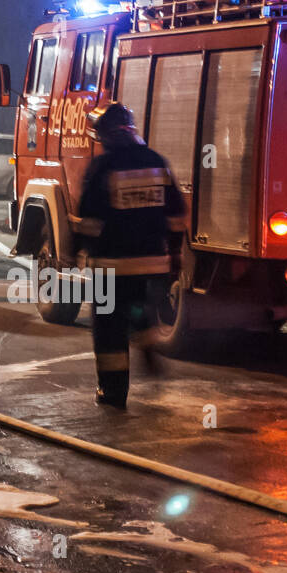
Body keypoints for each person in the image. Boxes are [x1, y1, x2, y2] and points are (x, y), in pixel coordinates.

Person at [72, 102, 187, 410]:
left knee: (109, 329)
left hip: (111, 266)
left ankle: (112, 393)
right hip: (152, 264)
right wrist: (174, 255)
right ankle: (148, 348)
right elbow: (177, 213)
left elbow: (90, 220)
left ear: (106, 136)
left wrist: (75, 253)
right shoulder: (156, 161)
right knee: (139, 311)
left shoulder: (103, 167)